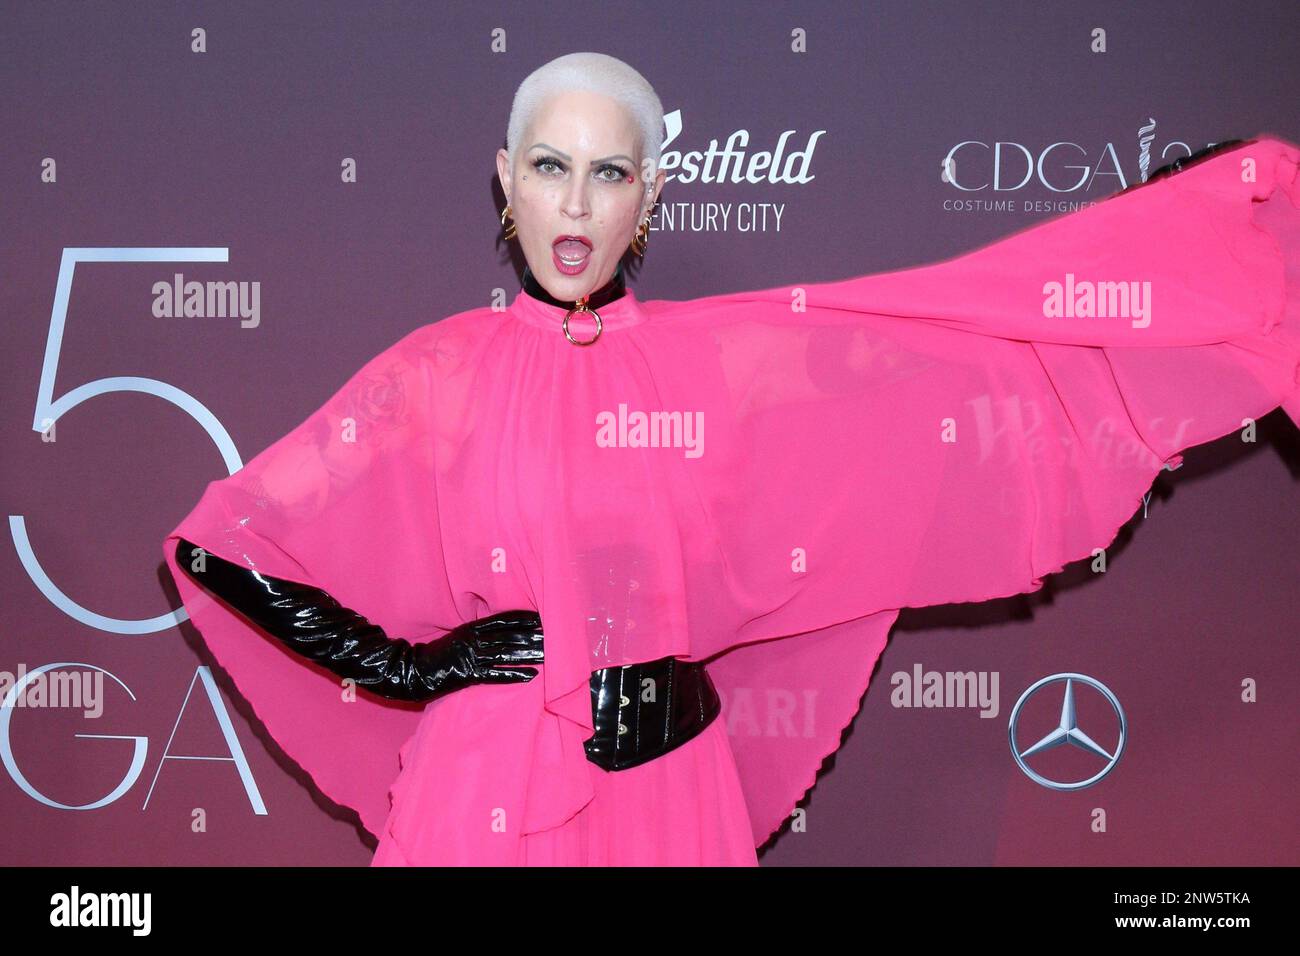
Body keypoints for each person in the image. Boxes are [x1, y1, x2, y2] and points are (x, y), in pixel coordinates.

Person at [163, 52, 1300, 866]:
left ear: (650, 194)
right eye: (550, 166)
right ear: (504, 178)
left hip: (673, 793)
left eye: (610, 172)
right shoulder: (434, 374)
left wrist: (1184, 256)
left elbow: (950, 352)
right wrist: (409, 666)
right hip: (488, 787)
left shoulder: (734, 364)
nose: (575, 200)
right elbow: (225, 542)